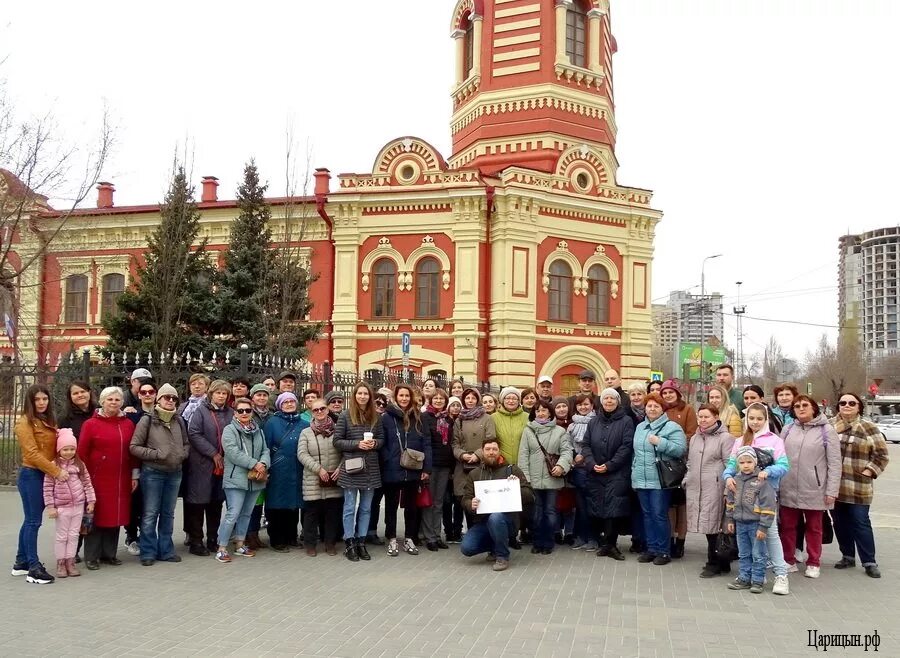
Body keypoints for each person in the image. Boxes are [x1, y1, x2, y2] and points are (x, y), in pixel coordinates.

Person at [724, 402, 791, 595]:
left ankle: (781, 574)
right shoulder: (740, 441)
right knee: (747, 542)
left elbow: (784, 466)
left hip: (765, 494)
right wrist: (727, 477)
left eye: (759, 418)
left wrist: (767, 472)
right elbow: (731, 465)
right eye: (751, 418)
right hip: (742, 497)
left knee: (770, 534)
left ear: (766, 419)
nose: (755, 422)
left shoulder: (775, 441)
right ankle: (750, 576)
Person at [778, 395, 840, 579]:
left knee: (814, 527)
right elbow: (779, 457)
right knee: (788, 527)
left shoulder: (827, 431)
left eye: (805, 405)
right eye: (797, 406)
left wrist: (831, 490)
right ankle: (788, 560)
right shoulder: (787, 429)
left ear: (814, 408)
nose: (801, 408)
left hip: (814, 488)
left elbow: (835, 463)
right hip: (788, 486)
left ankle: (813, 561)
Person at [129, 384, 189, 567]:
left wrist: (181, 454)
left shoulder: (179, 420)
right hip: (153, 473)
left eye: (173, 398)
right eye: (166, 397)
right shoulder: (147, 420)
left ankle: (166, 550)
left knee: (168, 514)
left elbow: (186, 443)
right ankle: (148, 551)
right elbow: (134, 447)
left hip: (174, 472)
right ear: (159, 400)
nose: (170, 401)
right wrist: (156, 454)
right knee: (150, 513)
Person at [831, 392, 890, 579]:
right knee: (839, 523)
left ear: (859, 407)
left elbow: (882, 455)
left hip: (859, 486)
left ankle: (869, 561)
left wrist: (869, 471)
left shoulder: (868, 427)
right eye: (843, 402)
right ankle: (847, 555)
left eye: (851, 403)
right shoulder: (830, 426)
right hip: (835, 486)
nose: (847, 405)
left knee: (860, 522)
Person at [78, 386, 137, 571]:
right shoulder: (91, 424)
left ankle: (109, 554)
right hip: (97, 477)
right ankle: (92, 556)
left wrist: (135, 474)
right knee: (96, 516)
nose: (113, 403)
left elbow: (133, 452)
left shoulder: (127, 423)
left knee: (116, 515)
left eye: (117, 400)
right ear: (102, 401)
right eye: (110, 399)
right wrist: (84, 477)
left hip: (121, 477)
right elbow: (82, 452)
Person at [11, 384, 65, 584]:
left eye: (45, 399)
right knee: (34, 521)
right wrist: (57, 472)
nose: (42, 403)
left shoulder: (47, 420)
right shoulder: (24, 422)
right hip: (31, 475)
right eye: (37, 400)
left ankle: (21, 562)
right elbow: (32, 454)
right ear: (30, 402)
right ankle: (33, 568)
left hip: (44, 475)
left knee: (30, 520)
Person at [460, 438, 534, 572]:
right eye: (488, 449)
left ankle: (502, 556)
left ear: (499, 451)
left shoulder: (512, 470)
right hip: (483, 522)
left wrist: (516, 487)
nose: (491, 452)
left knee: (496, 517)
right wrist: (471, 503)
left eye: (494, 449)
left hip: (508, 521)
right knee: (467, 548)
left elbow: (530, 496)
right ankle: (494, 546)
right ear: (482, 452)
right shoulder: (474, 474)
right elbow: (465, 499)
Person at [631, 392, 686, 566]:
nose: (652, 409)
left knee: (659, 515)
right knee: (647, 515)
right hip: (641, 478)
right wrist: (634, 472)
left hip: (660, 480)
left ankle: (663, 551)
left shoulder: (672, 427)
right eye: (649, 406)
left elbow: (680, 449)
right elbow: (636, 453)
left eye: (656, 406)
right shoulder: (640, 427)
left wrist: (660, 442)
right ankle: (651, 549)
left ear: (662, 409)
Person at [379, 384, 432, 557]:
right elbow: (382, 442)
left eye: (407, 396)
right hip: (392, 468)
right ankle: (392, 538)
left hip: (414, 467)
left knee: (411, 506)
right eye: (401, 395)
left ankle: (409, 537)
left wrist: (426, 467)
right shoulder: (386, 417)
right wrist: (388, 459)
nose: (404, 399)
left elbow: (426, 443)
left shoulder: (419, 417)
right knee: (391, 505)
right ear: (395, 397)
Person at [214, 398, 270, 563]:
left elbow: (265, 449)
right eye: (241, 410)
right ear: (235, 412)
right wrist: (254, 464)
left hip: (256, 478)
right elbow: (232, 452)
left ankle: (240, 544)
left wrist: (264, 463)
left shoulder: (258, 430)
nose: (244, 413)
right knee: (233, 513)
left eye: (248, 410)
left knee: (246, 513)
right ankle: (222, 547)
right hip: (236, 478)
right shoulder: (230, 430)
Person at [334, 381, 384, 562]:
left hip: (370, 467)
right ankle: (349, 541)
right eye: (359, 393)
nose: (362, 396)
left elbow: (382, 440)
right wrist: (357, 444)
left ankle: (361, 540)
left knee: (365, 508)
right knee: (349, 507)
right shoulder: (345, 416)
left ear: (370, 397)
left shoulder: (375, 417)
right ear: (354, 396)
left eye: (366, 393)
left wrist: (374, 444)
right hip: (352, 467)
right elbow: (337, 441)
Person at [582, 388, 634, 560]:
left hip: (617, 472)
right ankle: (605, 544)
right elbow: (586, 445)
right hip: (596, 471)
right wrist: (591, 463)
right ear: (601, 402)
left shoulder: (626, 421)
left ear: (618, 401)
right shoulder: (593, 422)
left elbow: (626, 446)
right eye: (606, 398)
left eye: (612, 398)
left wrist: (609, 465)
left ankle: (611, 544)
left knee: (614, 508)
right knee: (599, 508)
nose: (609, 401)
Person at [517, 399, 574, 555]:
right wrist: (525, 477)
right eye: (538, 410)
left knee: (550, 513)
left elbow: (567, 452)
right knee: (536, 513)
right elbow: (523, 455)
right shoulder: (528, 431)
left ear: (550, 412)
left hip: (552, 478)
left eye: (544, 410)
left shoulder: (559, 431)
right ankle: (537, 542)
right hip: (533, 480)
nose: (541, 413)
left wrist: (561, 466)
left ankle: (548, 542)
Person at [684, 403, 735, 577]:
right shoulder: (696, 438)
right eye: (700, 416)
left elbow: (731, 464)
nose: (703, 420)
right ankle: (722, 561)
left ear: (716, 417)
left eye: (707, 416)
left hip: (716, 486)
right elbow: (690, 462)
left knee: (714, 526)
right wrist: (687, 478)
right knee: (708, 525)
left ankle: (714, 562)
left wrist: (728, 490)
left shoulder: (726, 438)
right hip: (696, 486)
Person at [185, 380, 233, 556]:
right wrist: (213, 453)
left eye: (224, 393)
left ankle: (214, 539)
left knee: (216, 504)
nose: (221, 396)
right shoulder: (201, 411)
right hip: (202, 465)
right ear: (211, 394)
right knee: (198, 503)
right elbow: (194, 433)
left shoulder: (231, 413)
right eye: (218, 393)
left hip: (223, 466)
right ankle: (196, 541)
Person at [43, 428, 96, 578]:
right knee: (62, 536)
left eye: (72, 449)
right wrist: (50, 507)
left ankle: (70, 561)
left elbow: (87, 483)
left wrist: (91, 500)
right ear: (59, 449)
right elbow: (47, 488)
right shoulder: (53, 466)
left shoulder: (79, 465)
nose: (68, 452)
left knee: (73, 535)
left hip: (78, 506)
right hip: (62, 507)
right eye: (65, 449)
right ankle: (61, 562)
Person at [725, 447, 777, 594]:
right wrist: (729, 519)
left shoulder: (761, 482)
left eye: (749, 462)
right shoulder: (735, 480)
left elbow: (768, 506)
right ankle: (744, 577)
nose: (746, 465)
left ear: (755, 463)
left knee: (758, 553)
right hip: (740, 523)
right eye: (742, 462)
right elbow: (730, 501)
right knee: (743, 553)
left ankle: (758, 580)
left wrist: (763, 527)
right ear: (737, 464)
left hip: (756, 524)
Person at [262, 392, 307, 552]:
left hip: (297, 468)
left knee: (293, 504)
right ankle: (277, 539)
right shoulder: (272, 422)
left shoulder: (303, 423)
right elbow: (265, 446)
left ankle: (291, 536)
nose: (289, 404)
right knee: (277, 504)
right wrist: (266, 467)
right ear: (280, 405)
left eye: (292, 401)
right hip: (278, 468)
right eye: (285, 402)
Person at [298, 398, 344, 556]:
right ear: (312, 412)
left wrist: (340, 468)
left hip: (334, 478)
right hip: (313, 479)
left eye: (322, 409)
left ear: (327, 410)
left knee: (332, 513)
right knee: (311, 514)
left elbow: (345, 452)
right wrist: (319, 470)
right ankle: (310, 544)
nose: (319, 412)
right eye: (316, 410)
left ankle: (330, 543)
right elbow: (302, 454)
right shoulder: (306, 432)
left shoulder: (338, 430)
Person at [659, 379, 696, 559]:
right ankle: (671, 538)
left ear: (677, 393)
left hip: (681, 462)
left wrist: (675, 445)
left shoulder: (687, 410)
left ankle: (681, 541)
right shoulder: (661, 411)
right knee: (669, 505)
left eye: (670, 392)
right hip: (664, 463)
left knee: (681, 504)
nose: (667, 395)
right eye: (664, 393)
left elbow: (691, 433)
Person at [451, 388, 496, 531]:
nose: (470, 400)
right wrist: (462, 454)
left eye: (473, 398)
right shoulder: (459, 420)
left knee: (483, 498)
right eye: (467, 398)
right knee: (465, 498)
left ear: (477, 400)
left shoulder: (487, 418)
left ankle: (484, 531)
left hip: (482, 463)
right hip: (463, 465)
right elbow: (455, 442)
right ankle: (472, 532)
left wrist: (478, 454)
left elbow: (491, 439)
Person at [123, 378, 156, 555]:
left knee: (150, 507)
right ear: (139, 394)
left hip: (156, 467)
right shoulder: (132, 415)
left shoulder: (160, 413)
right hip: (137, 466)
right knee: (135, 503)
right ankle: (132, 536)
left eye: (151, 392)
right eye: (144, 392)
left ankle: (148, 538)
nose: (148, 395)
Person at [422, 388, 453, 551]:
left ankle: (437, 534)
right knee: (430, 501)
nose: (439, 401)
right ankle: (429, 537)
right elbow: (425, 441)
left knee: (439, 502)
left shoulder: (448, 418)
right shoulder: (425, 417)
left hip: (445, 464)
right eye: (436, 398)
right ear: (431, 400)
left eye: (442, 398)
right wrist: (426, 466)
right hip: (431, 464)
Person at [568, 394, 599, 551]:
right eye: (580, 405)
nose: (583, 407)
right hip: (578, 469)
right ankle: (580, 537)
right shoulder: (572, 425)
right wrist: (574, 457)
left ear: (592, 406)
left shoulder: (597, 422)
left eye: (586, 404)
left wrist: (585, 456)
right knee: (580, 505)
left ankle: (593, 538)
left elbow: (599, 444)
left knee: (592, 505)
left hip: (592, 468)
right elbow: (567, 445)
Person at [443, 396, 466, 543]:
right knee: (446, 502)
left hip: (459, 466)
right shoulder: (443, 421)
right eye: (453, 405)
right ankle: (448, 531)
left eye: (458, 405)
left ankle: (457, 531)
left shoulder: (464, 421)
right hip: (446, 466)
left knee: (459, 501)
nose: (455, 408)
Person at [493, 387, 528, 467]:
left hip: (523, 463)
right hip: (501, 464)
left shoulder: (527, 417)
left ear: (519, 401)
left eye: (514, 398)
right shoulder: (493, 418)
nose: (511, 401)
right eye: (508, 398)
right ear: (502, 400)